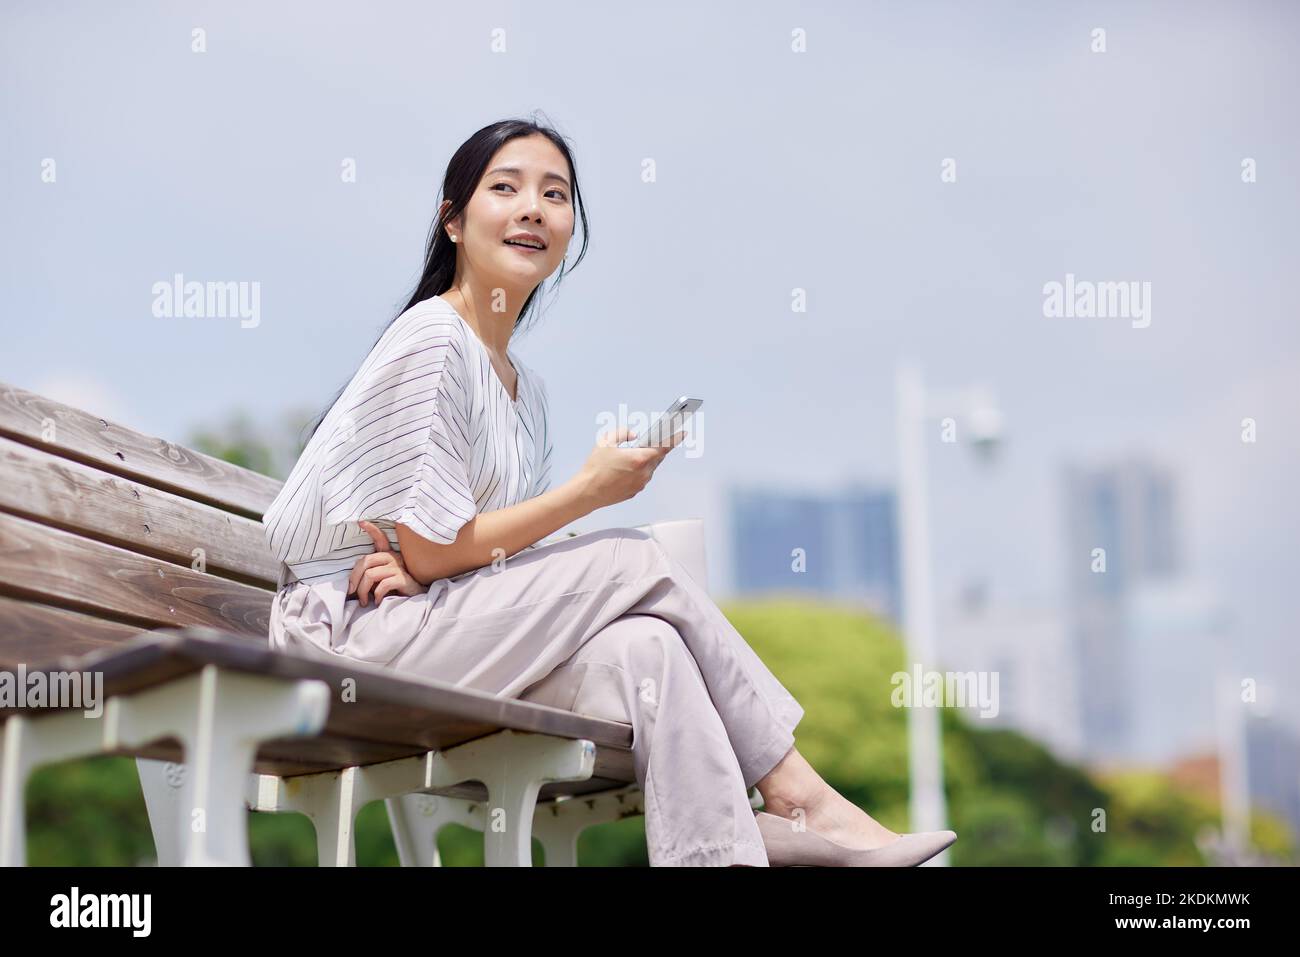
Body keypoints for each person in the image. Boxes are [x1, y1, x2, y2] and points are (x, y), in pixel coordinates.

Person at [262, 116, 954, 867]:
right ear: (453, 220)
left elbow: (455, 552)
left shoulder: (525, 393)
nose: (533, 208)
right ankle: (799, 795)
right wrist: (584, 496)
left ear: (568, 231)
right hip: (346, 641)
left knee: (649, 648)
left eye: (554, 194)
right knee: (630, 558)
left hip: (426, 621)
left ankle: (719, 854)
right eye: (506, 187)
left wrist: (428, 557)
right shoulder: (434, 339)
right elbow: (437, 551)